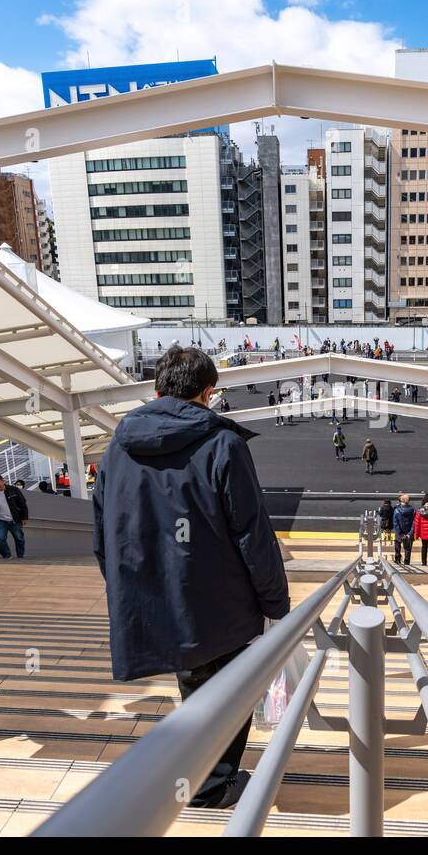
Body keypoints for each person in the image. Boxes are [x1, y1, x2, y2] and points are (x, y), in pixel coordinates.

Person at [93, 345, 288, 810]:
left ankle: (202, 777)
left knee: (197, 684)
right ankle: (209, 785)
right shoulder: (223, 444)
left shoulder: (118, 445)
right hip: (221, 604)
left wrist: (127, 591)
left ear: (157, 389)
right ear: (207, 393)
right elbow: (251, 533)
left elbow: (103, 531)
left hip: (157, 599)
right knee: (231, 692)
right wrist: (275, 604)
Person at [393, 492, 416, 565]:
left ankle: (397, 559)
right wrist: (410, 533)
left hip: (399, 533)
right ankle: (407, 561)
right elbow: (414, 522)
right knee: (408, 548)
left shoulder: (397, 510)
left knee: (397, 544)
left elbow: (395, 523)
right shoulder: (413, 510)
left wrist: (400, 533)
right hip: (409, 532)